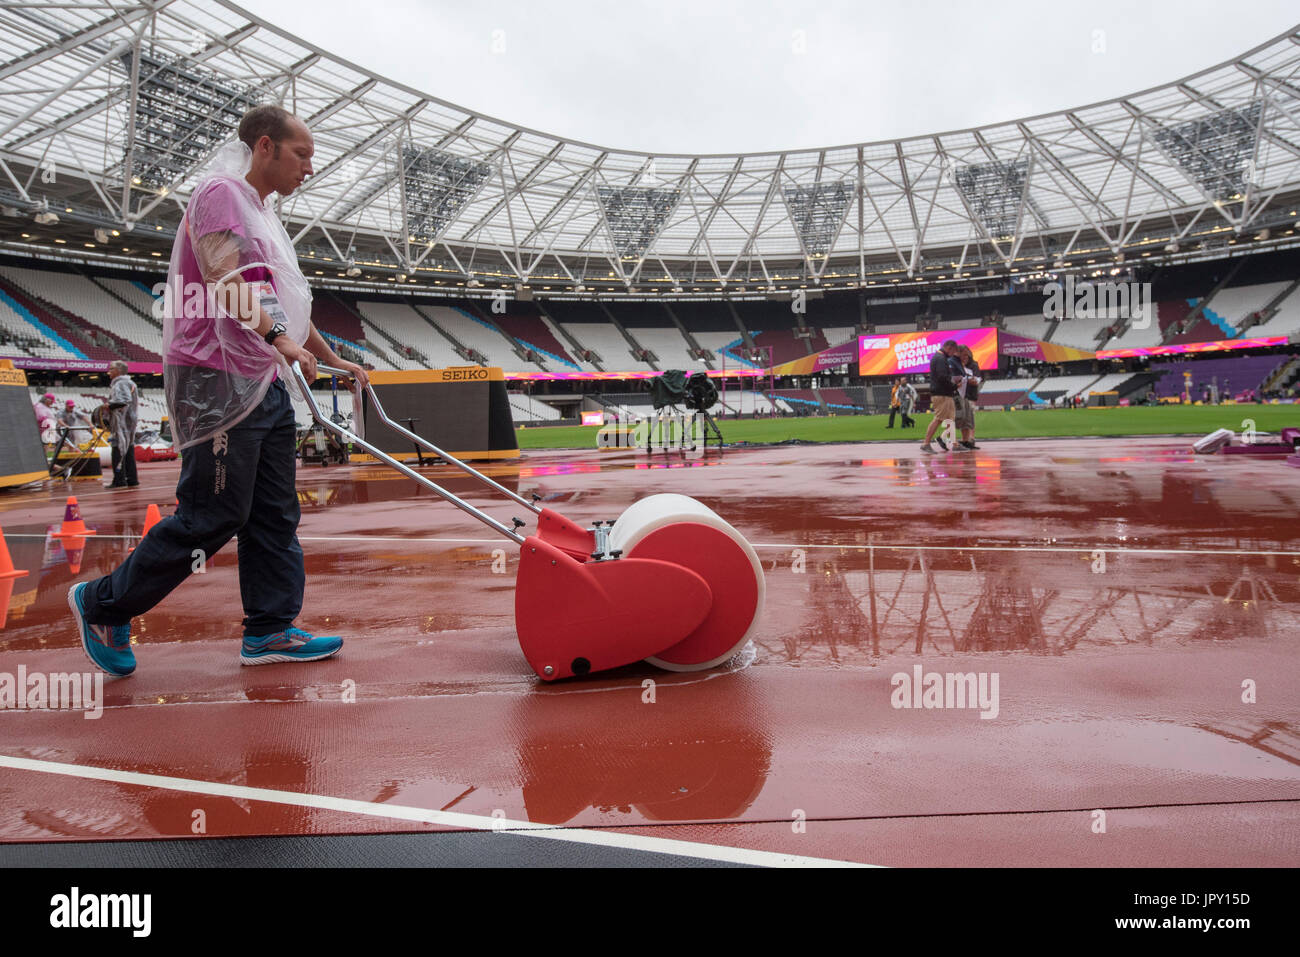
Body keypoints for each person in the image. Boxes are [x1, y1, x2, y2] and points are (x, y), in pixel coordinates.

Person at [69, 104, 371, 678]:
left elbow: (277, 296)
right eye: (301, 154)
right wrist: (280, 339)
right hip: (218, 378)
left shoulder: (263, 216)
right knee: (213, 515)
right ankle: (102, 604)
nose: (310, 167)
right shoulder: (221, 194)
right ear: (264, 147)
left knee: (274, 514)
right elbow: (223, 279)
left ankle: (269, 629)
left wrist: (332, 358)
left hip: (262, 379)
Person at [920, 340, 961, 454]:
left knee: (950, 419)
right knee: (938, 419)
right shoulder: (940, 359)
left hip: (944, 393)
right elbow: (942, 377)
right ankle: (926, 443)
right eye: (953, 352)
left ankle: (955, 444)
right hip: (941, 393)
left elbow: (942, 377)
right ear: (949, 348)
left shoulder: (940, 358)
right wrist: (954, 386)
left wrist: (952, 386)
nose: (953, 355)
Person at [105, 360, 139, 488]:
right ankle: (132, 479)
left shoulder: (120, 383)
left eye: (111, 369)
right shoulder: (130, 382)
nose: (109, 372)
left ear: (118, 371)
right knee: (129, 450)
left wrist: (108, 406)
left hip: (121, 423)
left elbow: (124, 401)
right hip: (129, 422)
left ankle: (119, 480)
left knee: (117, 449)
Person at [955, 345, 981, 450]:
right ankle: (965, 439)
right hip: (960, 395)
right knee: (961, 418)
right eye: (963, 355)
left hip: (969, 395)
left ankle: (970, 438)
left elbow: (976, 380)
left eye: (967, 355)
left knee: (970, 418)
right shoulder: (957, 365)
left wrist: (968, 379)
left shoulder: (973, 365)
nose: (965, 357)